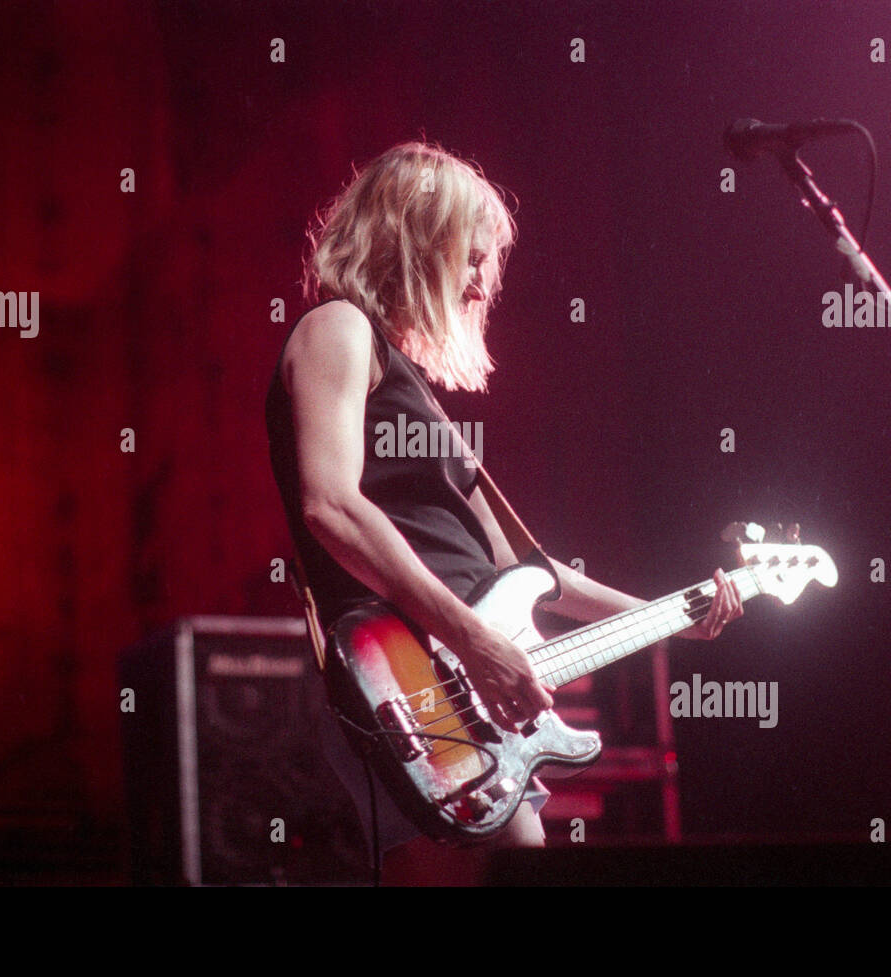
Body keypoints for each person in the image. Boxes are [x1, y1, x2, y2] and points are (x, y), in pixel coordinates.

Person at [265, 141, 743, 882]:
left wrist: (680, 611)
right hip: (407, 677)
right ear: (416, 239)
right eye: (475, 254)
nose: (486, 279)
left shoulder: (416, 393)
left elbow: (533, 573)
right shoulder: (338, 329)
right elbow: (329, 503)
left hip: (457, 687)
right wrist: (472, 639)